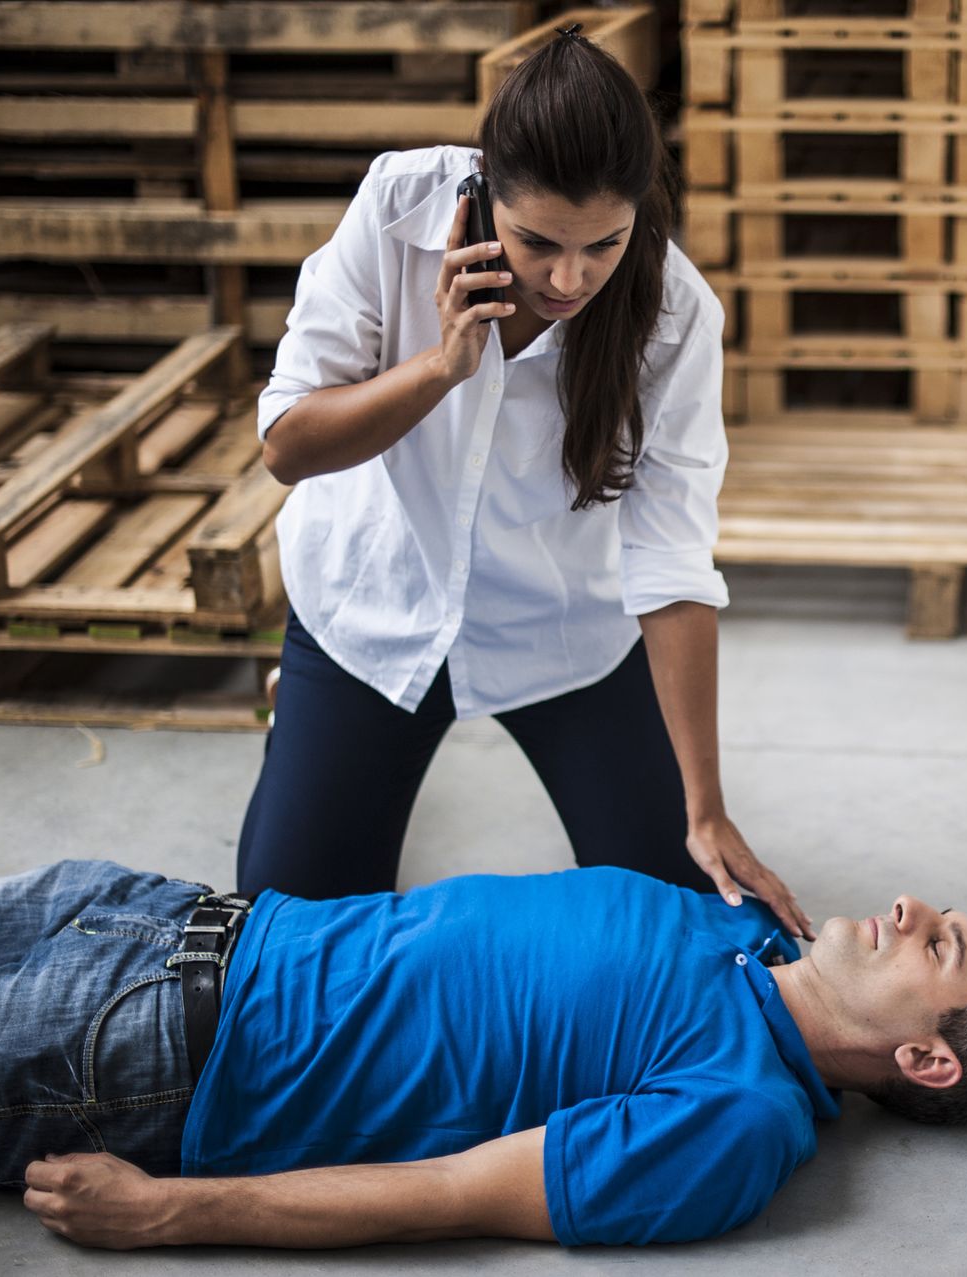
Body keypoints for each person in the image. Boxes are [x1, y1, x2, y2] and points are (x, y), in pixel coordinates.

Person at [238, 26, 808, 936]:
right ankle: (309, 720)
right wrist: (439, 367)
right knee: (281, 938)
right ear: (485, 186)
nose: (570, 276)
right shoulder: (396, 206)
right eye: (538, 241)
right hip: (372, 611)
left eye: (604, 244)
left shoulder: (676, 313)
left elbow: (671, 559)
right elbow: (287, 447)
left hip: (565, 627)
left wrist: (705, 806)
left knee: (695, 924)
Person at [0, 859, 967, 1250]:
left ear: (927, 1058)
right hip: (160, 908)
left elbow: (455, 1192)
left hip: (147, 1053)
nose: (907, 906)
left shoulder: (739, 1119)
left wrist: (172, 1211)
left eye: (940, 943)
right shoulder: (747, 926)